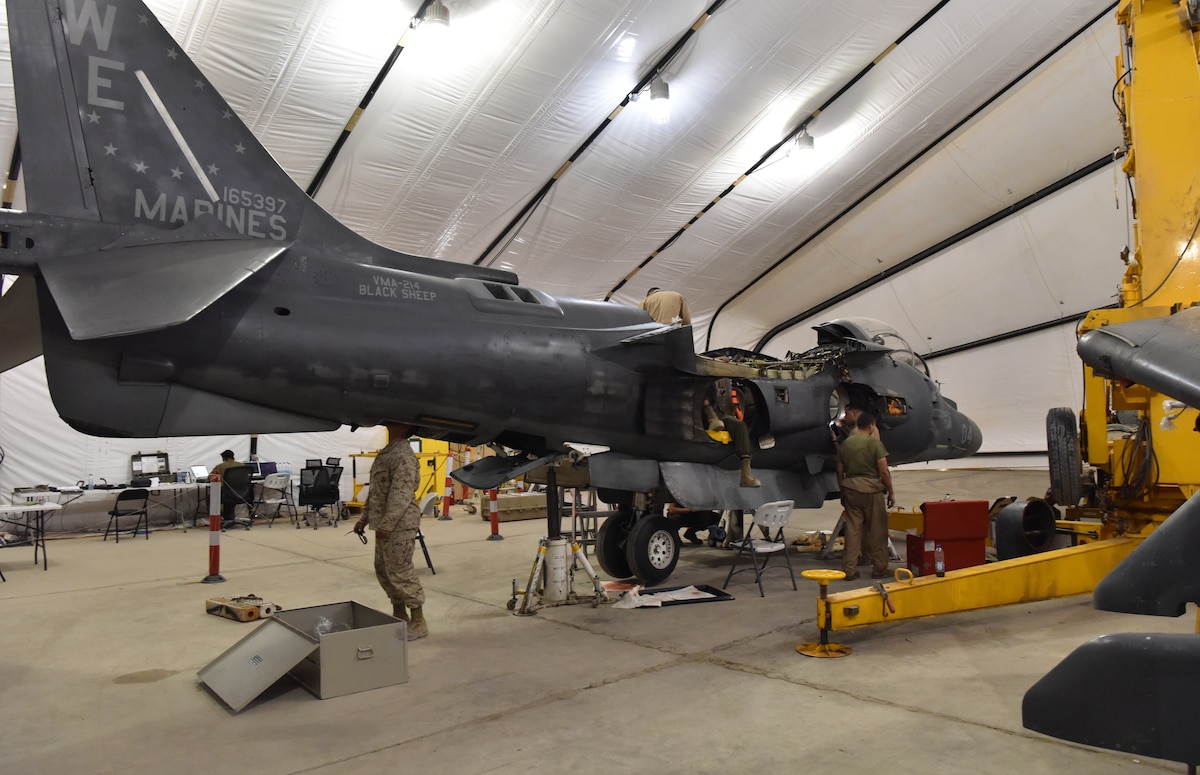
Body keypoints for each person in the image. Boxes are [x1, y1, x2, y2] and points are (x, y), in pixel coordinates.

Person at [354, 423, 428, 640]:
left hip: (399, 523)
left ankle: (418, 621)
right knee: (383, 569)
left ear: (405, 426)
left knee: (400, 570)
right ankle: (399, 614)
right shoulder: (388, 452)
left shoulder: (403, 454)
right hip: (385, 522)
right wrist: (364, 518)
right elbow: (377, 490)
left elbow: (401, 494)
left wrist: (388, 523)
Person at [836, 412, 895, 581]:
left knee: (853, 531)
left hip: (851, 489)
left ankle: (849, 569)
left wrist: (842, 491)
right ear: (871, 426)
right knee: (877, 530)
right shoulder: (874, 444)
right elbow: (884, 471)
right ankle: (880, 568)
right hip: (871, 491)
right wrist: (891, 491)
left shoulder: (846, 444)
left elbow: (839, 471)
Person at [704, 396, 760, 487]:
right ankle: (711, 418)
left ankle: (746, 475)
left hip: (717, 411)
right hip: (698, 409)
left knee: (740, 426)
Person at [210, 450, 243, 527]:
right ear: (233, 457)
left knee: (210, 498)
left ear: (223, 458)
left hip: (227, 494)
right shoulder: (242, 465)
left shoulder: (220, 466)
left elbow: (210, 477)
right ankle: (229, 519)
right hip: (241, 493)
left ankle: (219, 517)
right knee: (230, 500)